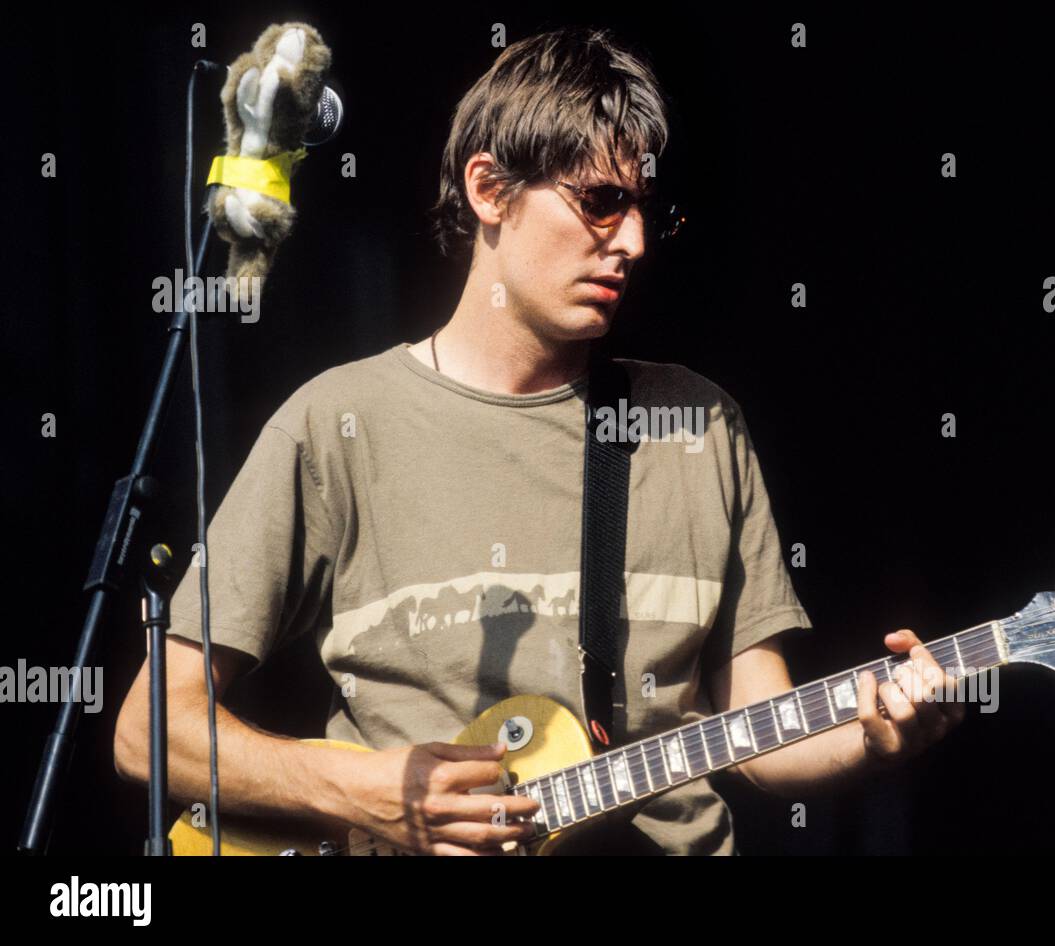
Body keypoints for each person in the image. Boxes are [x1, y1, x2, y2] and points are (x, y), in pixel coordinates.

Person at [114, 25, 963, 856]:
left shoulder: (697, 425)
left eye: (644, 213)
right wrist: (362, 793)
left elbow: (764, 727)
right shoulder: (337, 424)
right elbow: (152, 732)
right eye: (599, 201)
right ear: (490, 189)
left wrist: (875, 734)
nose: (629, 243)